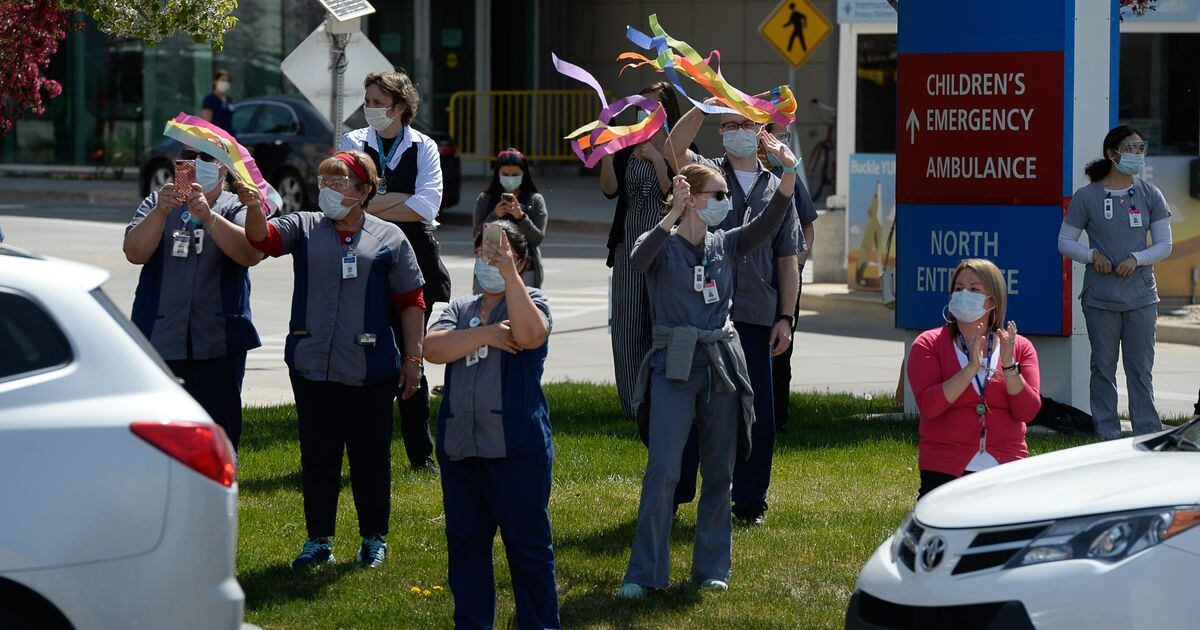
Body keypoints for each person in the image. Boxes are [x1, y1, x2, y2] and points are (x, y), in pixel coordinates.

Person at [618, 131, 798, 599]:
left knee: (720, 468)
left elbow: (770, 222)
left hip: (721, 361)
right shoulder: (663, 243)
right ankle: (644, 573)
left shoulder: (726, 243)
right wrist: (671, 216)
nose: (725, 201)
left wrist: (789, 173)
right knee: (664, 469)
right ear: (692, 199)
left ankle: (712, 566)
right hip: (674, 364)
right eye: (717, 195)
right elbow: (638, 260)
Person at [243, 150, 427, 569]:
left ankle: (373, 538)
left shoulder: (390, 239)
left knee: (370, 456)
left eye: (338, 182)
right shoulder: (305, 226)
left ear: (363, 191)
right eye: (324, 182)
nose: (327, 189)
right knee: (319, 455)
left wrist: (413, 358)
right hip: (312, 366)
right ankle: (318, 539)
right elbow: (262, 239)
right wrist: (255, 208)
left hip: (371, 369)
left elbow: (412, 300)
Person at [667, 99, 804, 525]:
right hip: (701, 313)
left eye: (744, 124)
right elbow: (674, 145)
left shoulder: (778, 183)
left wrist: (787, 316)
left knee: (755, 411)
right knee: (688, 407)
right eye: (727, 125)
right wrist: (703, 106)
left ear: (761, 131)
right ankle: (675, 492)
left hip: (756, 314)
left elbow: (788, 258)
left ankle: (748, 501)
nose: (736, 131)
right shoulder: (707, 173)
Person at [424, 219, 559, 629]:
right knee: (466, 546)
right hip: (462, 450)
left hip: (517, 451)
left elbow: (530, 334)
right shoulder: (458, 309)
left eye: (499, 253)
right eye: (484, 252)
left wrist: (510, 277)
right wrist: (485, 334)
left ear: (519, 260)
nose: (490, 260)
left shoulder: (532, 299)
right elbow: (433, 348)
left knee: (528, 548)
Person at [340, 70, 448, 474]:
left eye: (377, 103)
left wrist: (368, 202)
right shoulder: (354, 142)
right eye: (366, 101)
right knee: (367, 353)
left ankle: (421, 455)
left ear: (401, 107)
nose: (369, 110)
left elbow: (426, 206)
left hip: (414, 260)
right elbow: (345, 197)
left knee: (411, 356)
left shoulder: (424, 147)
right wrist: (384, 201)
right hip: (364, 259)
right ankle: (368, 452)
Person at [123, 147, 264, 452]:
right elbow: (134, 252)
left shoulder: (236, 207)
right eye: (190, 155)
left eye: (208, 157)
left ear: (224, 169)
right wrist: (161, 212)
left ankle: (217, 497)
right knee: (160, 439)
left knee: (217, 439)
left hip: (217, 343)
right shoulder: (157, 202)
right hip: (160, 338)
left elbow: (250, 253)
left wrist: (209, 217)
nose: (199, 163)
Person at [1059, 125, 1173, 439]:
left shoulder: (1150, 194)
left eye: (1141, 148)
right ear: (1112, 154)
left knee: (1140, 371)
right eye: (1131, 148)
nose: (1137, 154)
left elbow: (1164, 244)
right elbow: (1065, 241)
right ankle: (1106, 435)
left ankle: (1147, 435)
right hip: (1100, 299)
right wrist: (1091, 255)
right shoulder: (1088, 196)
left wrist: (1137, 258)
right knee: (1103, 369)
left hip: (1141, 298)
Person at [906, 259, 1042, 499]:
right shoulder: (928, 344)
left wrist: (1009, 367)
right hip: (945, 466)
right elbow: (929, 407)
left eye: (974, 289)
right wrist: (971, 368)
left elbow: (1028, 412)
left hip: (1007, 465)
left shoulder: (1020, 347)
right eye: (958, 289)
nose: (963, 295)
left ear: (993, 300)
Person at [600, 81, 683, 419]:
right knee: (628, 326)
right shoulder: (626, 147)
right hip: (628, 247)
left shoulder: (680, 146)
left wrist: (659, 159)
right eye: (640, 106)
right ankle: (634, 406)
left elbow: (675, 192)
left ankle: (666, 400)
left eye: (651, 107)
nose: (644, 112)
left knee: (661, 324)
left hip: (667, 247)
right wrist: (606, 152)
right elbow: (610, 190)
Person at [758, 121, 818, 433]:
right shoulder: (743, 175)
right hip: (752, 282)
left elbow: (807, 224)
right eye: (769, 135)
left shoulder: (789, 176)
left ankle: (777, 419)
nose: (774, 142)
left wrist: (797, 263)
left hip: (783, 281)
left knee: (781, 353)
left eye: (780, 135)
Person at [471, 148, 548, 288]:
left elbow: (537, 239)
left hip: (525, 269)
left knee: (522, 308)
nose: (510, 178)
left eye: (515, 174)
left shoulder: (535, 200)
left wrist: (521, 217)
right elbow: (477, 236)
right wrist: (494, 216)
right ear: (497, 174)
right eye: (505, 174)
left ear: (524, 174)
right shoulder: (485, 199)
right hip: (491, 268)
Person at [201, 69, 235, 135]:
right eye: (223, 80)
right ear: (215, 81)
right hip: (216, 136)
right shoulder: (209, 99)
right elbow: (207, 122)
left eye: (228, 81)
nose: (225, 83)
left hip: (229, 135)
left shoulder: (229, 99)